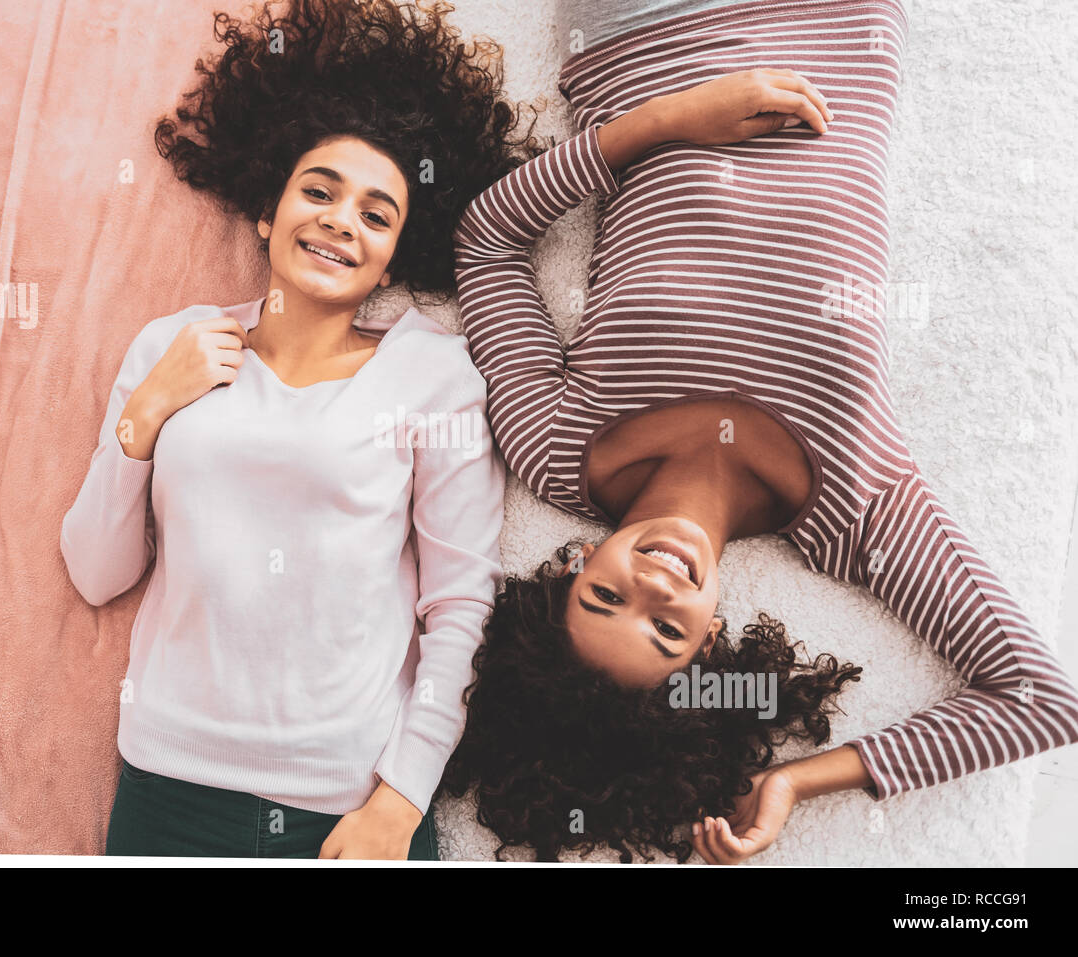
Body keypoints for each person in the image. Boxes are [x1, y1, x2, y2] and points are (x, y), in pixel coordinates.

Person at [439, 0, 1078, 863]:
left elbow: (483, 244)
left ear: (569, 567)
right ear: (708, 640)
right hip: (838, 22)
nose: (655, 586)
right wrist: (794, 781)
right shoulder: (855, 508)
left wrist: (665, 122)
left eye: (605, 597)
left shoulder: (556, 447)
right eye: (667, 630)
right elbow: (1040, 698)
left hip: (635, 37)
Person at [60, 0, 539, 860]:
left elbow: (462, 604)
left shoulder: (437, 376)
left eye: (375, 213)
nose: (339, 220)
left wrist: (401, 798)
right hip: (169, 782)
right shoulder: (172, 346)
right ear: (266, 213)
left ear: (395, 256)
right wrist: (144, 414)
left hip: (352, 804)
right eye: (317, 192)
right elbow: (98, 574)